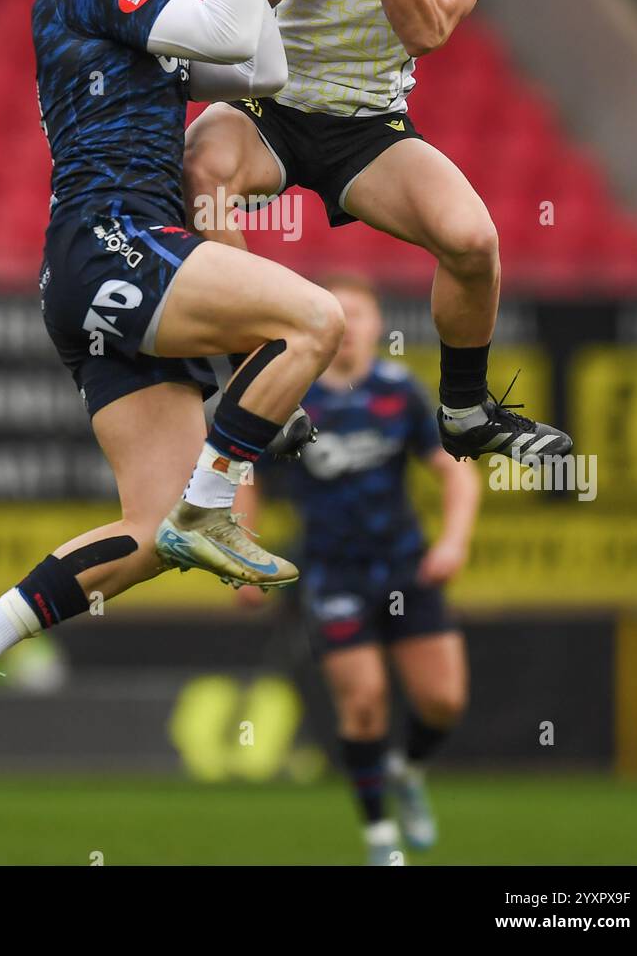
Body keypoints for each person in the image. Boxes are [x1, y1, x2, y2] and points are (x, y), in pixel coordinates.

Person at [0, 0, 344, 765]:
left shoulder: (81, 3)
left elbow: (257, 62)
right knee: (315, 322)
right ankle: (223, 491)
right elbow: (229, 29)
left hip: (80, 277)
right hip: (122, 245)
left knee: (151, 535)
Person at [183, 0, 571, 465]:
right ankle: (252, 379)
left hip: (366, 122)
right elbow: (236, 2)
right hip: (269, 98)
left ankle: (463, 412)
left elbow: (426, 30)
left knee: (471, 241)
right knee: (201, 167)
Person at [237, 275, 480, 866]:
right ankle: (380, 840)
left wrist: (453, 542)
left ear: (376, 327)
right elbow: (248, 480)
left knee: (444, 701)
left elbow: (456, 471)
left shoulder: (401, 393)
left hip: (403, 565)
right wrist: (244, 556)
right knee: (365, 699)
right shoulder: (294, 401)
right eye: (338, 318)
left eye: (361, 317)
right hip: (332, 572)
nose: (349, 331)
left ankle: (407, 769)